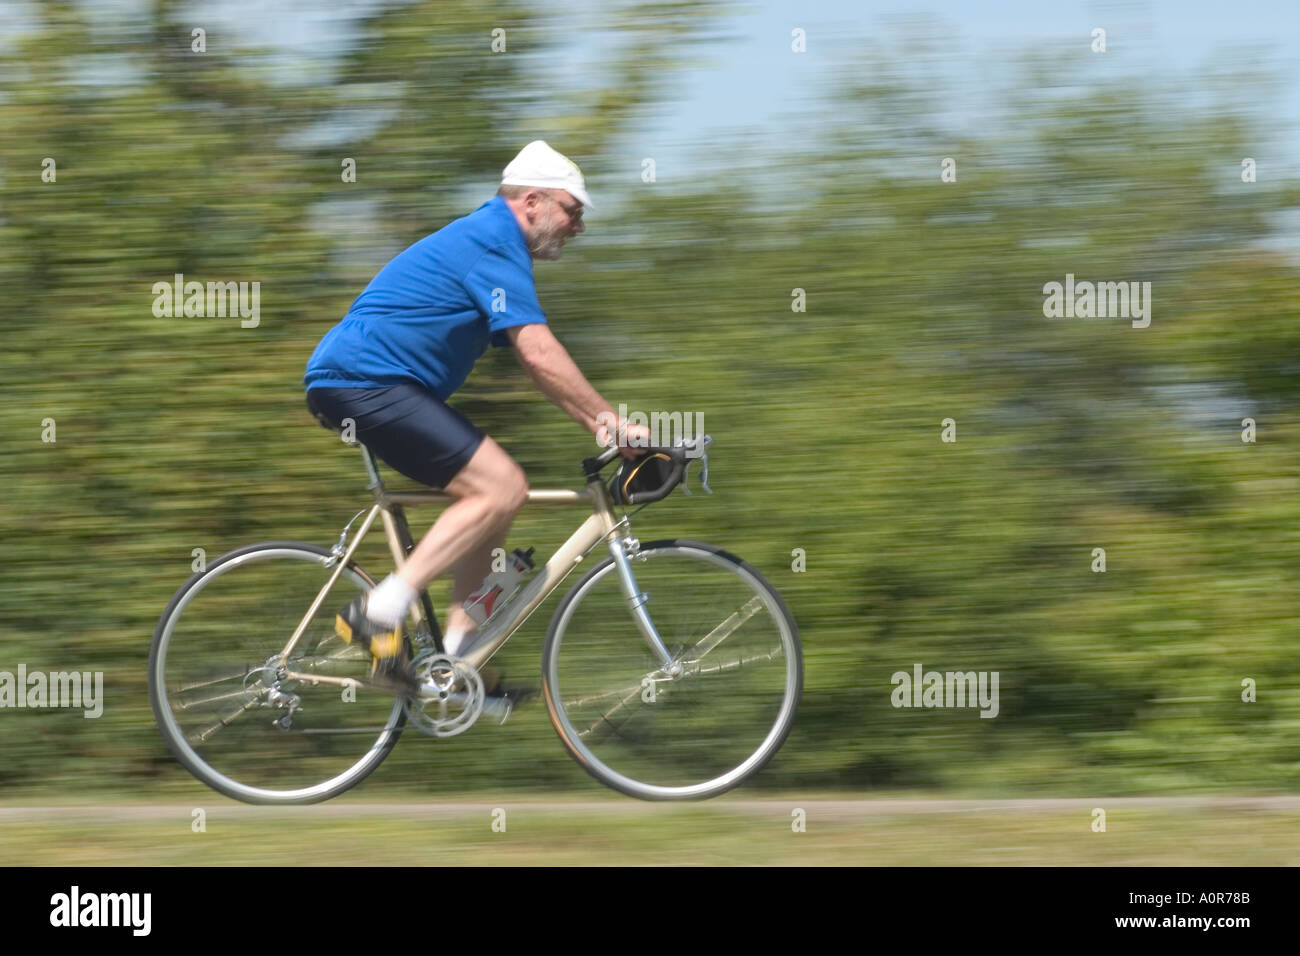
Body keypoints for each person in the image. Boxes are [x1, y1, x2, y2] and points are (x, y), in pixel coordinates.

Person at [304, 140, 647, 695]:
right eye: (573, 211)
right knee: (501, 485)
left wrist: (596, 419)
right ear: (532, 201)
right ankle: (378, 612)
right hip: (363, 380)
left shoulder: (491, 241)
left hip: (371, 382)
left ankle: (458, 661)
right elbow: (537, 351)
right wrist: (611, 424)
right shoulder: (494, 240)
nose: (578, 227)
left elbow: (536, 365)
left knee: (495, 499)